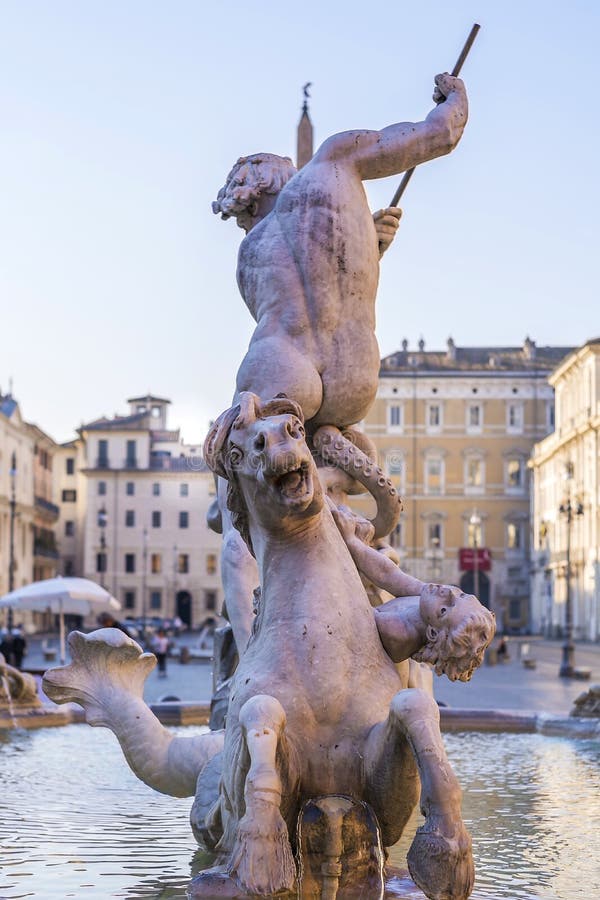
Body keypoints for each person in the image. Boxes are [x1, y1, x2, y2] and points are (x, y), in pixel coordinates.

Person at [211, 72, 468, 661]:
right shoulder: (335, 161)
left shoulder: (249, 252)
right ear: (283, 170)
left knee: (239, 520)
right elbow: (440, 134)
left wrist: (364, 242)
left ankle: (256, 651)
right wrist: (455, 98)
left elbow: (291, 304)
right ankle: (372, 604)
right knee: (338, 495)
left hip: (283, 364)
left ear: (247, 196)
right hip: (355, 377)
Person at [331, 503, 496, 682]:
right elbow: (388, 575)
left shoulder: (397, 631)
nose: (446, 591)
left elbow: (349, 612)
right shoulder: (429, 601)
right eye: (460, 594)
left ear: (433, 633)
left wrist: (350, 542)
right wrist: (354, 544)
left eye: (444, 608)